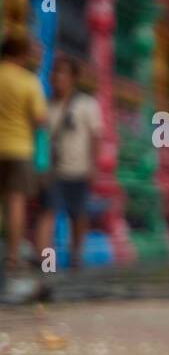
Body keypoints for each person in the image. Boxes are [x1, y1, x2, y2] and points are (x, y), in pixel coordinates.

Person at [37, 56, 101, 269]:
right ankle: (46, 264)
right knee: (48, 214)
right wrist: (40, 167)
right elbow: (41, 140)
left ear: (73, 78)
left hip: (79, 170)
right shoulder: (46, 106)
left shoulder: (87, 105)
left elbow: (95, 137)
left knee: (79, 217)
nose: (56, 77)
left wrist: (94, 165)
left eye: (62, 73)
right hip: (54, 172)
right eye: (54, 72)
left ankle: (76, 257)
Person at [0, 34, 46, 271]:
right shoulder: (29, 81)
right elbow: (40, 118)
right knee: (16, 203)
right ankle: (12, 257)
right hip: (19, 148)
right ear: (21, 54)